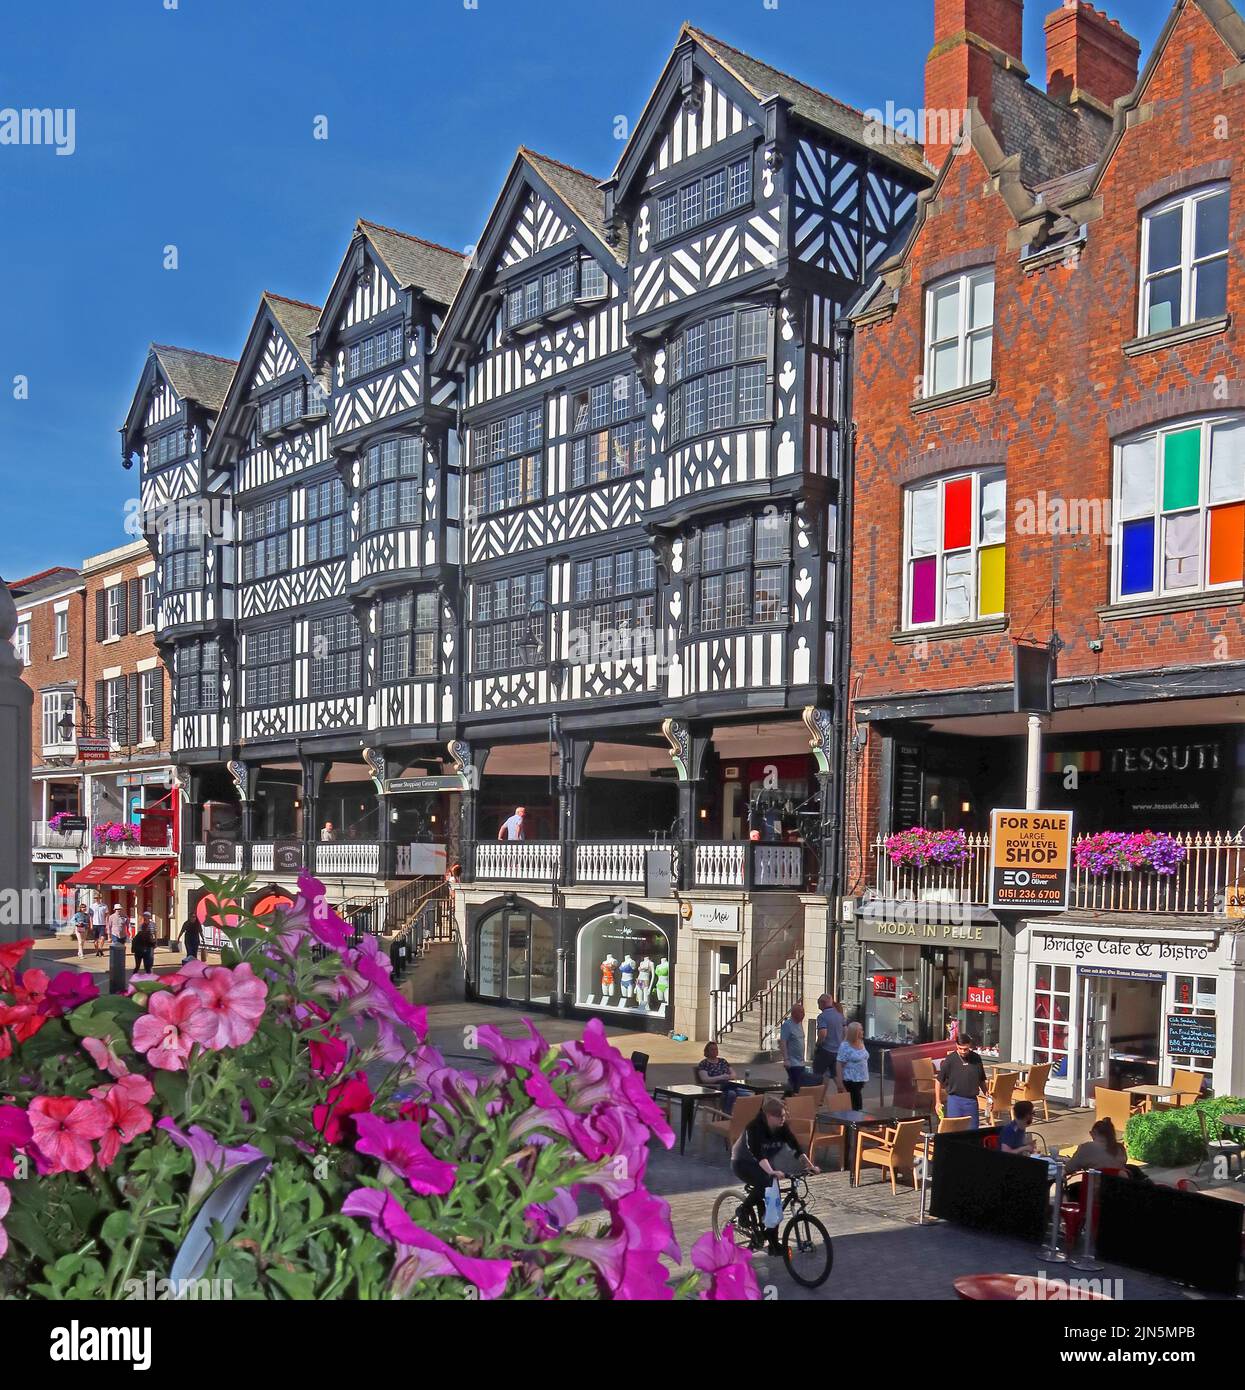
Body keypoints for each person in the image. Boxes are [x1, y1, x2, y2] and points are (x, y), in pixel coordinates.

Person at [729, 1097, 818, 1254]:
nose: (783, 1119)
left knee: (774, 1202)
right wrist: (771, 1172)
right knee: (766, 1182)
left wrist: (810, 1166)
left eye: (784, 1116)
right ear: (769, 1115)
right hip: (743, 1163)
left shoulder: (781, 1127)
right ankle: (744, 1209)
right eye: (780, 1116)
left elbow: (795, 1147)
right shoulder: (754, 1128)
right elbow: (758, 1154)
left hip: (764, 1164)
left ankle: (773, 1245)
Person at [936, 1033, 989, 1129]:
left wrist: (987, 1095)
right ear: (956, 1046)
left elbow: (981, 1079)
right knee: (954, 1131)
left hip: (971, 1101)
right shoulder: (950, 1060)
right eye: (960, 1049)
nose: (963, 1051)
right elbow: (938, 1081)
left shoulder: (976, 1058)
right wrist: (938, 1101)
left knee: (972, 1132)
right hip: (955, 1100)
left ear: (970, 1046)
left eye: (966, 1049)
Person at [697, 1042, 752, 1115]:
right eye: (712, 1049)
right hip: (715, 1089)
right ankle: (726, 1116)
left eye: (716, 1049)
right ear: (707, 1051)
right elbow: (705, 1079)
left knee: (749, 1095)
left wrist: (729, 1077)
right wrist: (720, 1077)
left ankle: (743, 1117)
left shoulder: (723, 1061)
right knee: (731, 1094)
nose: (715, 1051)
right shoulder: (703, 1064)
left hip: (730, 1085)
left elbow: (734, 1074)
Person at [1065, 1118, 1129, 1175]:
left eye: (1091, 1133)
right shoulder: (1121, 1148)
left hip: (1095, 1186)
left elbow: (1069, 1168)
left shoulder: (1087, 1148)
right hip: (1118, 1186)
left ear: (1094, 1133)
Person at [779, 1003, 818, 1093]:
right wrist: (786, 1059)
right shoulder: (787, 1025)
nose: (803, 1014)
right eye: (801, 1012)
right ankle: (790, 1101)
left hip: (800, 1061)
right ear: (794, 1013)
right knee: (797, 1084)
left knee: (794, 1084)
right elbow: (783, 1042)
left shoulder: (799, 1024)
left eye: (803, 1012)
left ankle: (786, 1101)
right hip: (792, 1062)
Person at [835, 1021, 871, 1110]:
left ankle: (855, 1118)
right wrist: (840, 1083)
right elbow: (839, 1064)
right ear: (855, 1032)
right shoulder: (845, 1046)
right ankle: (855, 1120)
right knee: (856, 1103)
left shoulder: (861, 1042)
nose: (863, 1032)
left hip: (861, 1079)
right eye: (861, 1030)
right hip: (850, 1079)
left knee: (856, 1100)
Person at [812, 993, 846, 1084]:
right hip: (837, 1051)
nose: (819, 1007)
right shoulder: (840, 1016)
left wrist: (818, 1044)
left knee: (818, 1075)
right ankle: (843, 1094)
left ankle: (818, 1095)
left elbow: (823, 1033)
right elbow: (845, 1031)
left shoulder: (822, 1017)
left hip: (825, 1050)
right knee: (836, 1075)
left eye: (819, 1004)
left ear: (823, 1003)